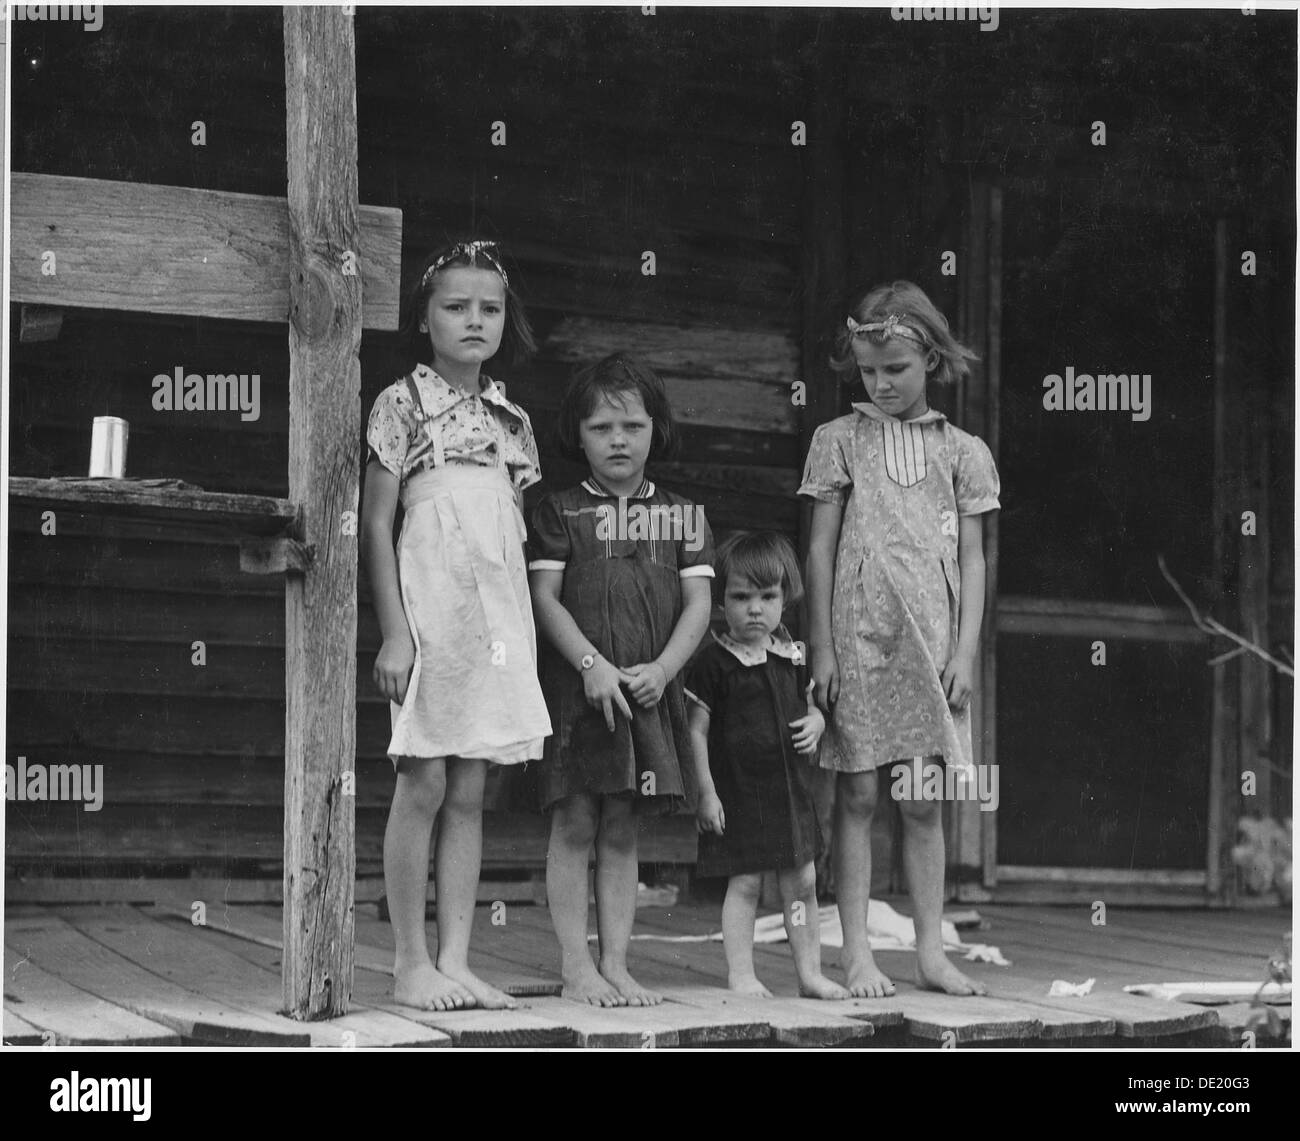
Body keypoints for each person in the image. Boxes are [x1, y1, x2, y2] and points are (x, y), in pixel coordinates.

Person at [361, 239, 550, 1012]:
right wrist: (396, 632)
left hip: (495, 616)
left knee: (472, 784)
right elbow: (376, 525)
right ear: (424, 316)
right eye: (455, 306)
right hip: (429, 606)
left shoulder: (512, 417)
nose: (474, 320)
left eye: (489, 308)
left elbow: (508, 530)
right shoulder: (401, 403)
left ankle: (458, 957)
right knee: (425, 776)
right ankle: (410, 961)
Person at [800, 280, 1001, 997]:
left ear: (933, 361)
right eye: (869, 370)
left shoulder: (962, 452)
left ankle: (930, 952)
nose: (880, 384)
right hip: (859, 637)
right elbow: (820, 549)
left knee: (922, 798)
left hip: (932, 642)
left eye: (896, 369)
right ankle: (857, 953)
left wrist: (966, 651)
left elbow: (972, 558)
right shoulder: (838, 440)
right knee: (855, 794)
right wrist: (821, 644)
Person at [529, 354, 714, 1007]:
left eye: (633, 425)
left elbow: (698, 606)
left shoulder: (683, 516)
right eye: (602, 425)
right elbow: (545, 597)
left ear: (655, 430)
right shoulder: (560, 512)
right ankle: (575, 965)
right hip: (584, 696)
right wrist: (591, 665)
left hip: (645, 691)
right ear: (577, 434)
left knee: (622, 827)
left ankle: (616, 962)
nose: (618, 439)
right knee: (575, 821)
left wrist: (663, 670)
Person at [686, 531, 849, 1000]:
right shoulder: (713, 663)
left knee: (802, 882)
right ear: (722, 602)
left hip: (790, 792)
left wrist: (818, 720)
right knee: (746, 882)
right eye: (741, 597)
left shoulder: (793, 655)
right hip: (738, 793)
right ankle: (741, 973)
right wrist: (707, 792)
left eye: (767, 596)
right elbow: (696, 730)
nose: (754, 608)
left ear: (785, 599)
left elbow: (812, 706)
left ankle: (810, 974)